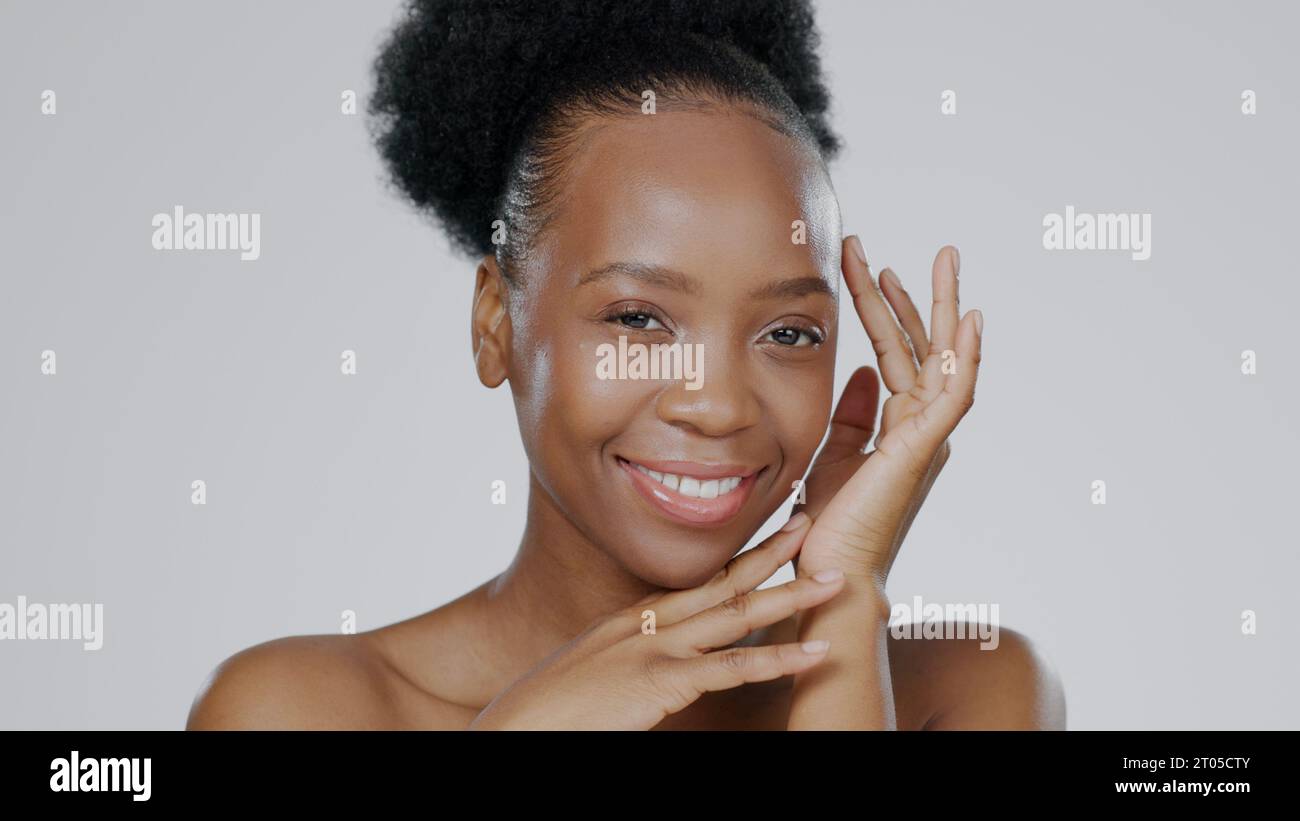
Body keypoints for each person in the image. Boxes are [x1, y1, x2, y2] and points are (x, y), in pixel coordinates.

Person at [187, 0, 1065, 730]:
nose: (718, 405)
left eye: (789, 333)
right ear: (496, 324)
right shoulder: (300, 710)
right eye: (638, 317)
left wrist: (842, 596)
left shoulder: (966, 691)